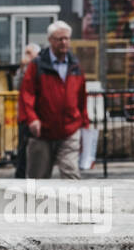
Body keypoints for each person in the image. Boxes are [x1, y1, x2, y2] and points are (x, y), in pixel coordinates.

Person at [19, 21, 88, 180]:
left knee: (71, 175)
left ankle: (72, 205)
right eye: (59, 39)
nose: (64, 42)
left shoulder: (75, 66)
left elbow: (81, 98)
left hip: (69, 130)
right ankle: (37, 206)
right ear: (50, 40)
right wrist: (32, 119)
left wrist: (84, 125)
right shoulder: (37, 65)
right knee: (38, 181)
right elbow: (27, 94)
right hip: (42, 132)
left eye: (67, 39)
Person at [13, 43, 39, 178]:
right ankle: (21, 176)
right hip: (24, 115)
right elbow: (17, 86)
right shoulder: (23, 70)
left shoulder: (39, 68)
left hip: (34, 116)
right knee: (22, 150)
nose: (26, 56)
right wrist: (23, 68)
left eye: (29, 52)